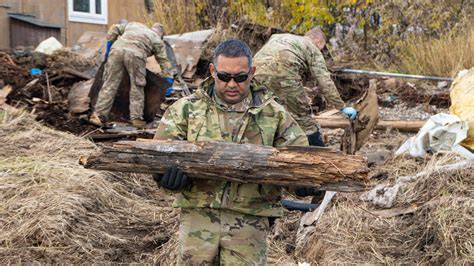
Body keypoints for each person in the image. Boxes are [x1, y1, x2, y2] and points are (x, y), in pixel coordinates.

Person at [152, 39, 308, 264]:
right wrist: (164, 178)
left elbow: (300, 159)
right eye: (225, 77)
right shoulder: (186, 110)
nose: (232, 84)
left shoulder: (275, 115)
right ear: (213, 71)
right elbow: (158, 156)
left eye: (240, 77)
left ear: (252, 72)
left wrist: (301, 183)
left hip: (249, 223)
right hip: (198, 218)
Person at [253, 28, 357, 147]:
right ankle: (320, 156)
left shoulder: (278, 37)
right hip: (284, 75)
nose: (321, 51)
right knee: (305, 121)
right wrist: (341, 107)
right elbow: (324, 80)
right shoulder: (312, 47)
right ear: (318, 41)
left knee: (269, 114)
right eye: (322, 48)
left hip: (256, 73)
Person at [89, 21, 175, 128]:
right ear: (161, 34)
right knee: (137, 86)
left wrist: (109, 45)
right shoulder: (157, 39)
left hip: (116, 50)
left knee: (109, 83)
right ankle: (136, 119)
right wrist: (169, 79)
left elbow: (114, 28)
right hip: (136, 54)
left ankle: (98, 116)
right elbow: (164, 61)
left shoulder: (134, 25)